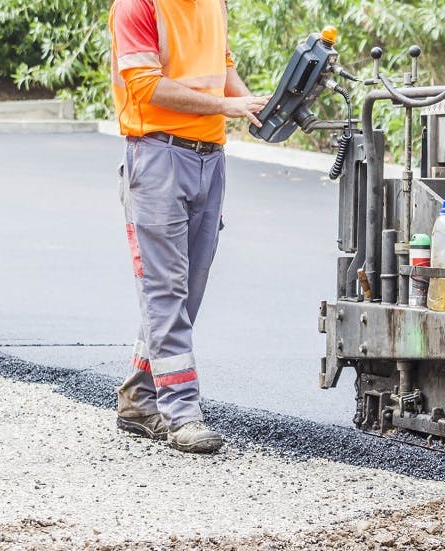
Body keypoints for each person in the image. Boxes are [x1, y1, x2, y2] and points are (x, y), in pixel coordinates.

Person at [108, 0, 267, 453]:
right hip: (157, 155)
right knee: (165, 290)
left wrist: (253, 104)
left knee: (187, 289)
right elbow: (146, 86)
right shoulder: (137, 6)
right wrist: (225, 105)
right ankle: (181, 413)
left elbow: (221, 65)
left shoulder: (211, 3)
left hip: (208, 158)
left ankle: (140, 398)